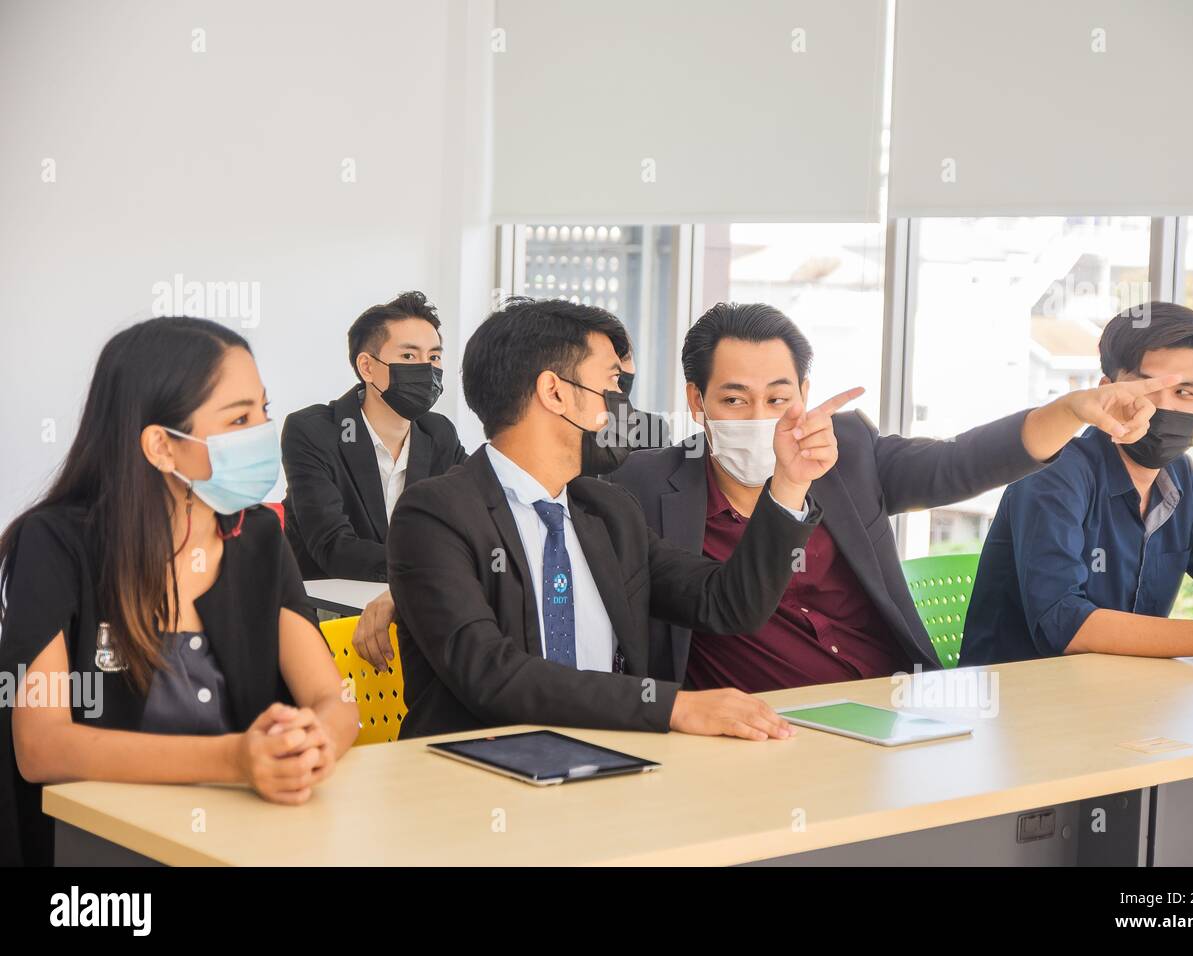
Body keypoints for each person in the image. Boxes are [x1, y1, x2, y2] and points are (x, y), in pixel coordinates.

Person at [612, 302, 1175, 691]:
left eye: (778, 398)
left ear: (806, 395)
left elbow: (958, 463)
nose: (761, 419)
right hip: (758, 732)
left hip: (892, 707)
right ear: (695, 399)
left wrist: (1070, 411)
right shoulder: (640, 487)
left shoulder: (849, 451)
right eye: (735, 401)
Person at [387, 296, 860, 739]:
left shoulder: (608, 512)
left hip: (615, 765)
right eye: (612, 383)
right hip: (475, 779)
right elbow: (491, 674)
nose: (624, 405)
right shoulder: (435, 514)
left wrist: (790, 483)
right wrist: (674, 707)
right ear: (554, 392)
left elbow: (727, 603)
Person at [0, 317, 358, 866]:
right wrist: (236, 760)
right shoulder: (53, 544)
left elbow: (333, 700)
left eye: (263, 408)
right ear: (162, 446)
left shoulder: (258, 534)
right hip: (101, 854)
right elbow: (41, 746)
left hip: (248, 840)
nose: (264, 429)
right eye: (239, 417)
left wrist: (316, 742)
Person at [962, 302, 1193, 668]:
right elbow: (1064, 623)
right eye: (1147, 387)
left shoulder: (1180, 478)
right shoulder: (1054, 473)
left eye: (1184, 392)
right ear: (1105, 394)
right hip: (1016, 703)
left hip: (1125, 698)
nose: (1162, 407)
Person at [281, 291, 466, 667]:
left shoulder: (439, 433)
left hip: (415, 610)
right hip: (326, 620)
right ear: (367, 367)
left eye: (434, 356)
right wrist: (422, 570)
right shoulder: (314, 431)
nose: (427, 368)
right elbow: (333, 547)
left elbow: (470, 525)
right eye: (409, 356)